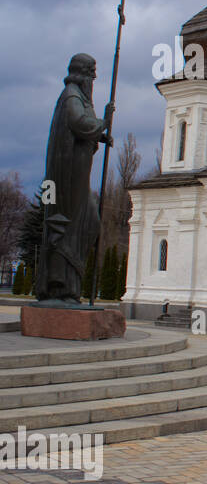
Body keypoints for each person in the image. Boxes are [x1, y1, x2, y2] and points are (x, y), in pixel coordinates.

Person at [34, 54, 112, 306]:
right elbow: (79, 123)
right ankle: (58, 287)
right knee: (68, 224)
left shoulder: (78, 97)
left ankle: (70, 288)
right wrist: (104, 122)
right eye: (92, 72)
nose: (95, 77)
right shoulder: (71, 95)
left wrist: (100, 136)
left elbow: (80, 128)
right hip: (66, 179)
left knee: (89, 224)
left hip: (77, 176)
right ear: (81, 73)